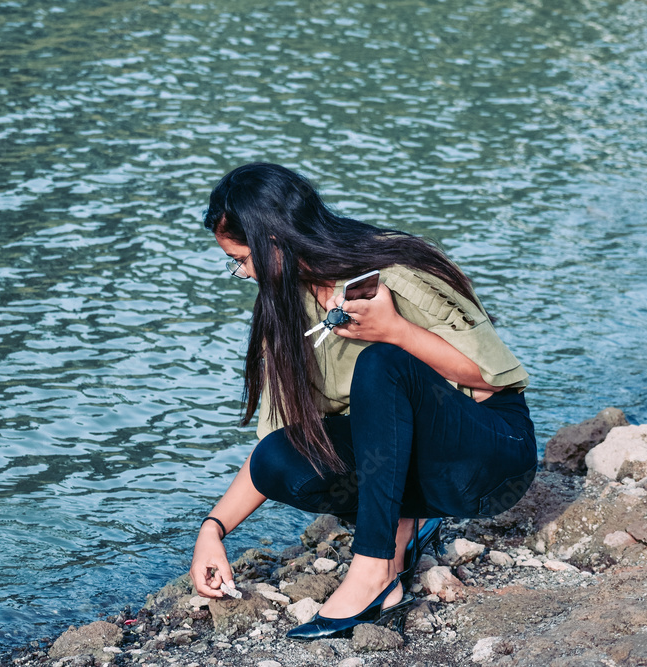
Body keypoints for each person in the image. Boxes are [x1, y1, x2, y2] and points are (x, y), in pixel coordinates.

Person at [189, 163, 536, 640]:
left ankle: (374, 568)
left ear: (274, 244)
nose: (242, 273)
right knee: (278, 459)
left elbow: (492, 380)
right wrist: (212, 529)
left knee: (381, 364)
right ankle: (402, 531)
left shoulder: (394, 273)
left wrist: (398, 332)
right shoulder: (287, 311)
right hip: (413, 462)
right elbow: (282, 437)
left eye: (242, 259)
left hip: (491, 456)